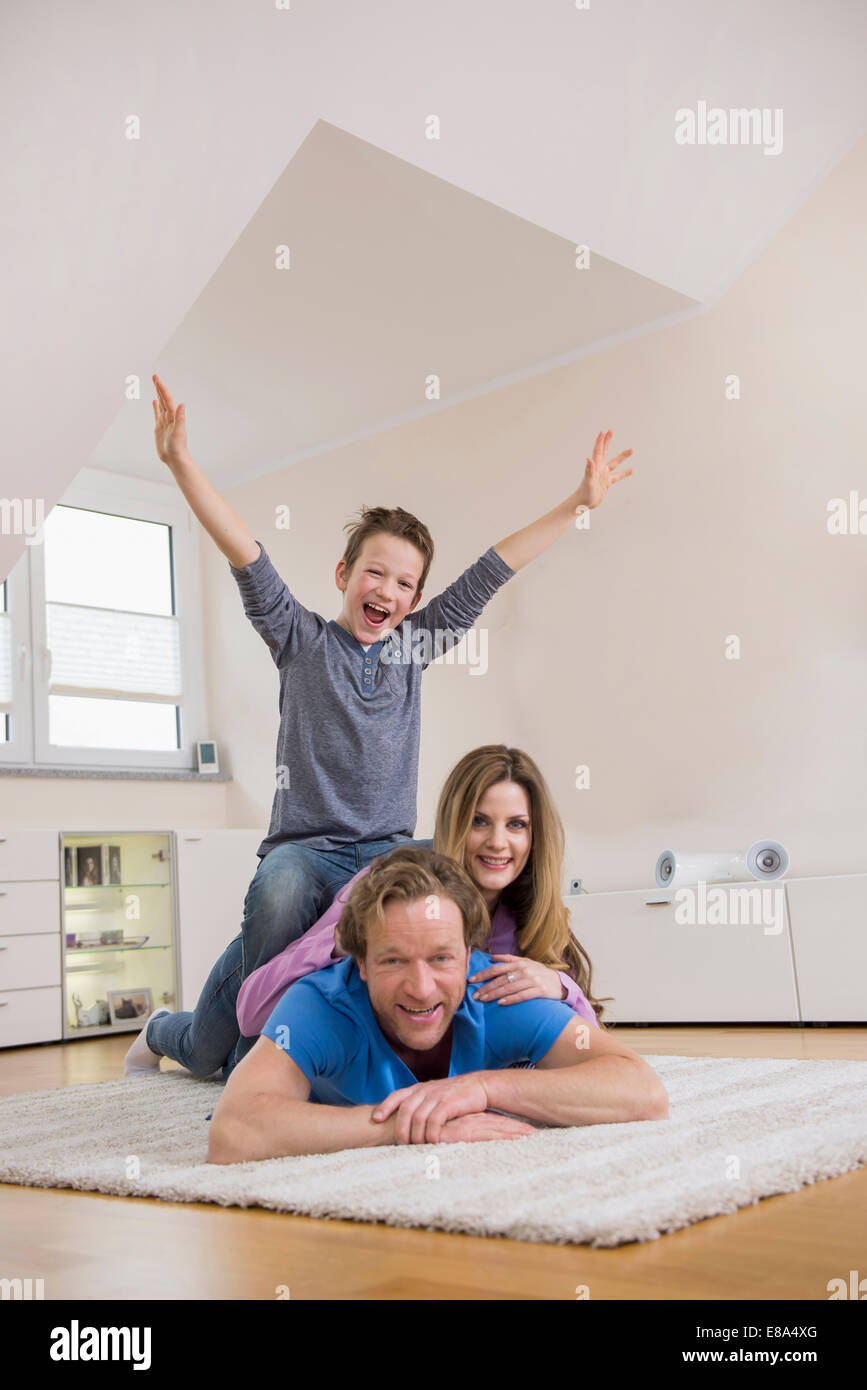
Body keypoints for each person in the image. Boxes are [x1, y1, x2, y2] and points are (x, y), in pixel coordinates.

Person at [146, 375, 634, 1071]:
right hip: (306, 851)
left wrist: (577, 504)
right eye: (375, 574)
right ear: (345, 574)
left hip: (386, 850)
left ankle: (525, 989)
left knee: (477, 848)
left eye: (405, 584)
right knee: (216, 1029)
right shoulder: (300, 639)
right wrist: (181, 463)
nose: (388, 592)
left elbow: (491, 570)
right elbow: (244, 553)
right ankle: (225, 1048)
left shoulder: (411, 649)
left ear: (415, 599)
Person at [125, 745, 608, 1079]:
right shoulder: (395, 883)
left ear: (534, 834)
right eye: (480, 821)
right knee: (209, 1055)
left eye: (517, 824)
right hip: (272, 959)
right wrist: (346, 939)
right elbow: (253, 1011)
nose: (498, 842)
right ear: (454, 821)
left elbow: (591, 1043)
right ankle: (156, 1029)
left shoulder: (527, 910)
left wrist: (557, 984)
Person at [207, 848, 668, 1163]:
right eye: (393, 960)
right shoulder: (320, 1004)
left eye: (442, 959)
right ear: (361, 962)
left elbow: (641, 1090)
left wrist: (484, 1089)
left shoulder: (491, 991)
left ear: (469, 956)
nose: (422, 989)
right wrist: (406, 1126)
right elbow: (234, 1131)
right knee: (201, 1047)